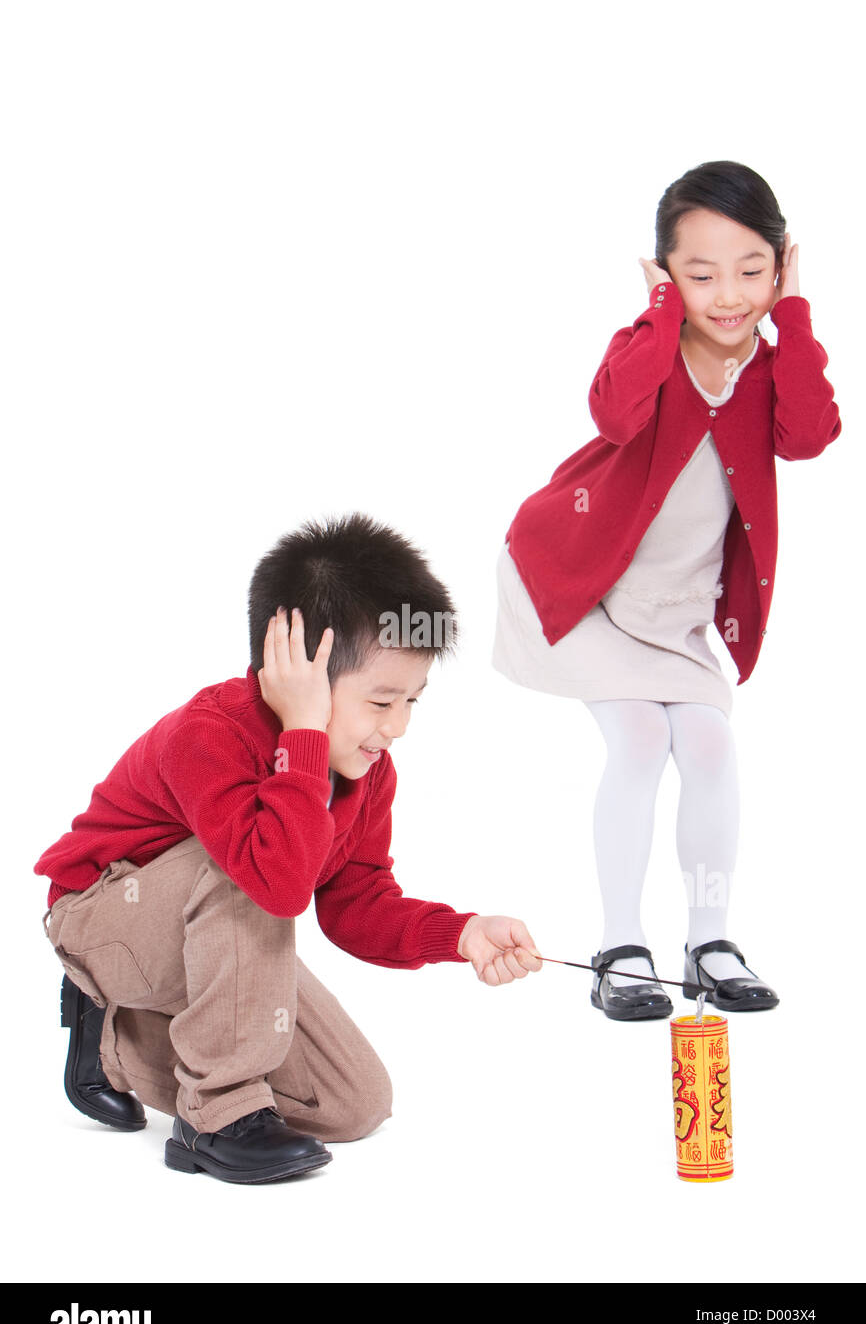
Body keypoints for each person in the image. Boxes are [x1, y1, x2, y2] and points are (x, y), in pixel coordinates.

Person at [35, 513, 541, 1182]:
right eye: (382, 700)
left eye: (413, 701)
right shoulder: (211, 734)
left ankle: (115, 1049)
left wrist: (462, 934)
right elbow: (275, 883)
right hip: (101, 918)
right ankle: (214, 1116)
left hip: (217, 935)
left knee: (355, 1100)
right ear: (294, 667)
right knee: (252, 866)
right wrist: (301, 730)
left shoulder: (367, 770)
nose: (398, 727)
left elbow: (356, 902)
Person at [493, 160, 841, 1021]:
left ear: (782, 267)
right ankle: (622, 948)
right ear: (665, 274)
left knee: (713, 747)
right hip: (578, 588)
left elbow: (810, 434)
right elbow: (614, 414)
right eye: (699, 273)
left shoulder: (769, 365)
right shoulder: (645, 350)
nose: (729, 294)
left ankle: (710, 941)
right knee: (642, 740)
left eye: (753, 271)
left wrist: (791, 316)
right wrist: (657, 313)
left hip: (673, 616)